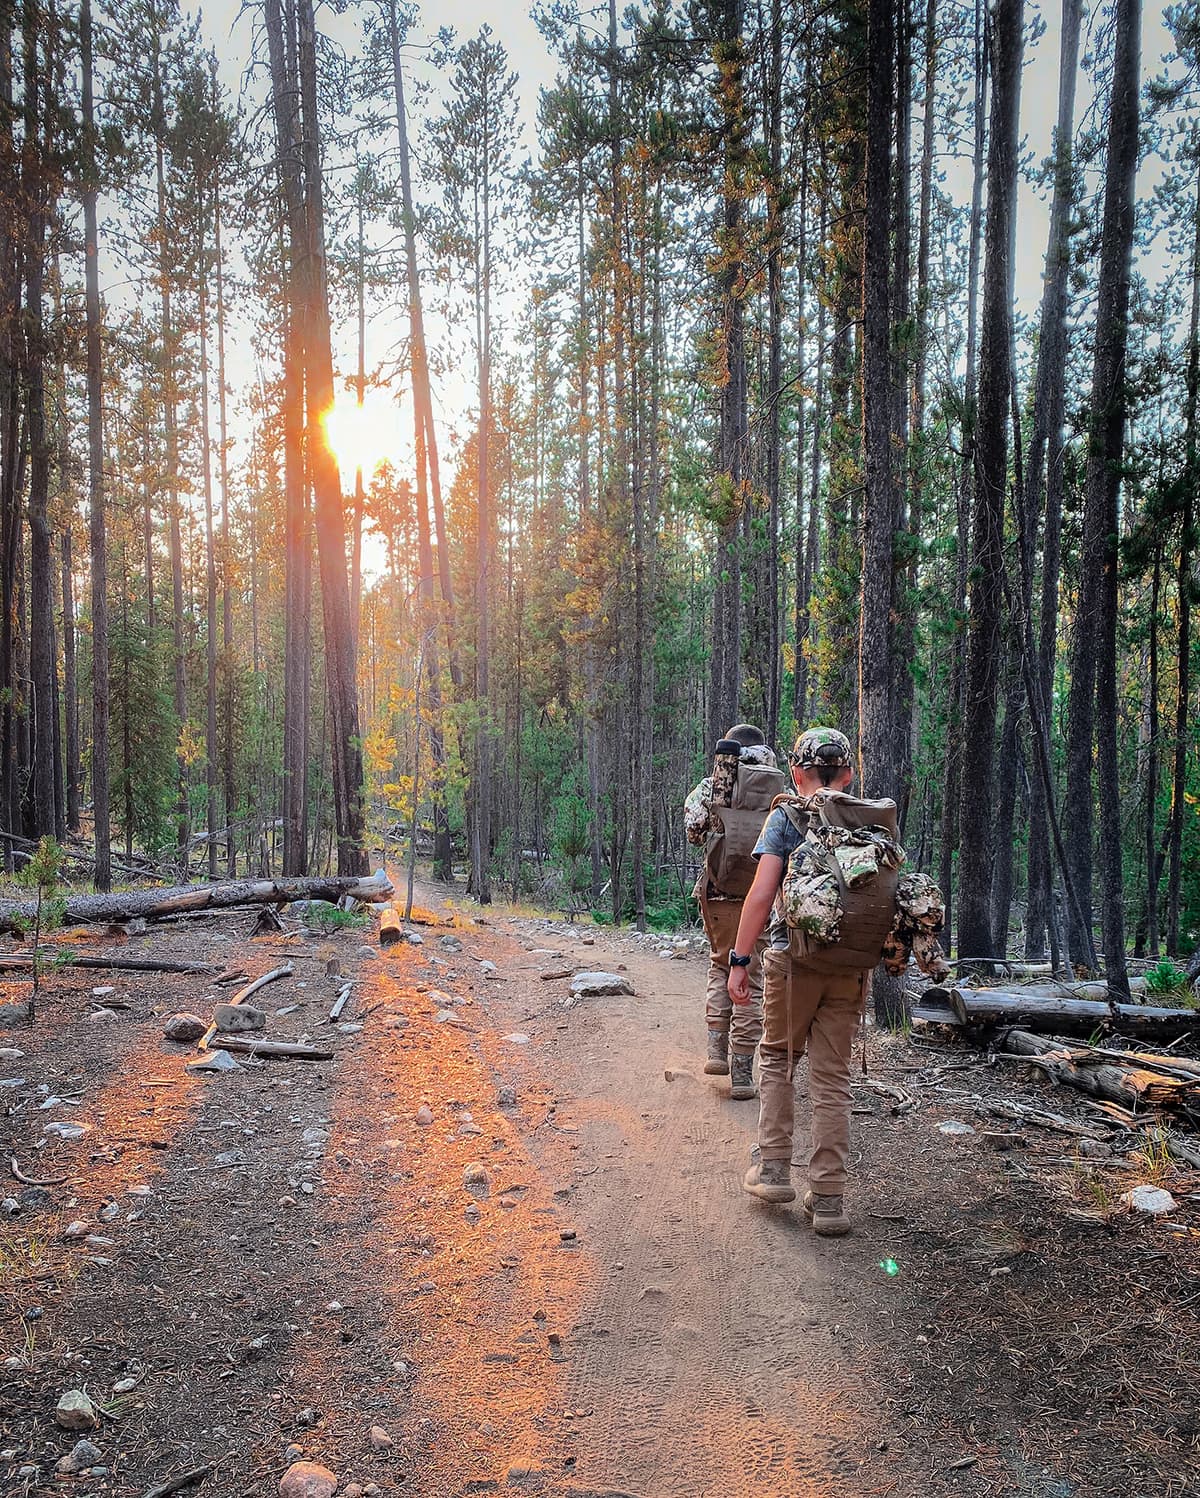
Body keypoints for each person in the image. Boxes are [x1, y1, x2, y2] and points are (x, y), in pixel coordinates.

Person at [727, 726, 949, 1235]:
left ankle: (775, 1169)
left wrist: (740, 961)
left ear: (797, 772)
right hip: (851, 971)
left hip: (793, 962)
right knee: (832, 1078)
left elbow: (762, 894)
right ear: (849, 773)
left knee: (779, 1059)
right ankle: (828, 1197)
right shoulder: (874, 825)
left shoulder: (786, 816)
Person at [684, 724, 786, 1099]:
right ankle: (743, 1073)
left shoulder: (716, 782)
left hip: (718, 892)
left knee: (720, 964)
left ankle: (716, 1050)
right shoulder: (780, 790)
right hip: (763, 895)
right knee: (753, 979)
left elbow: (694, 830)